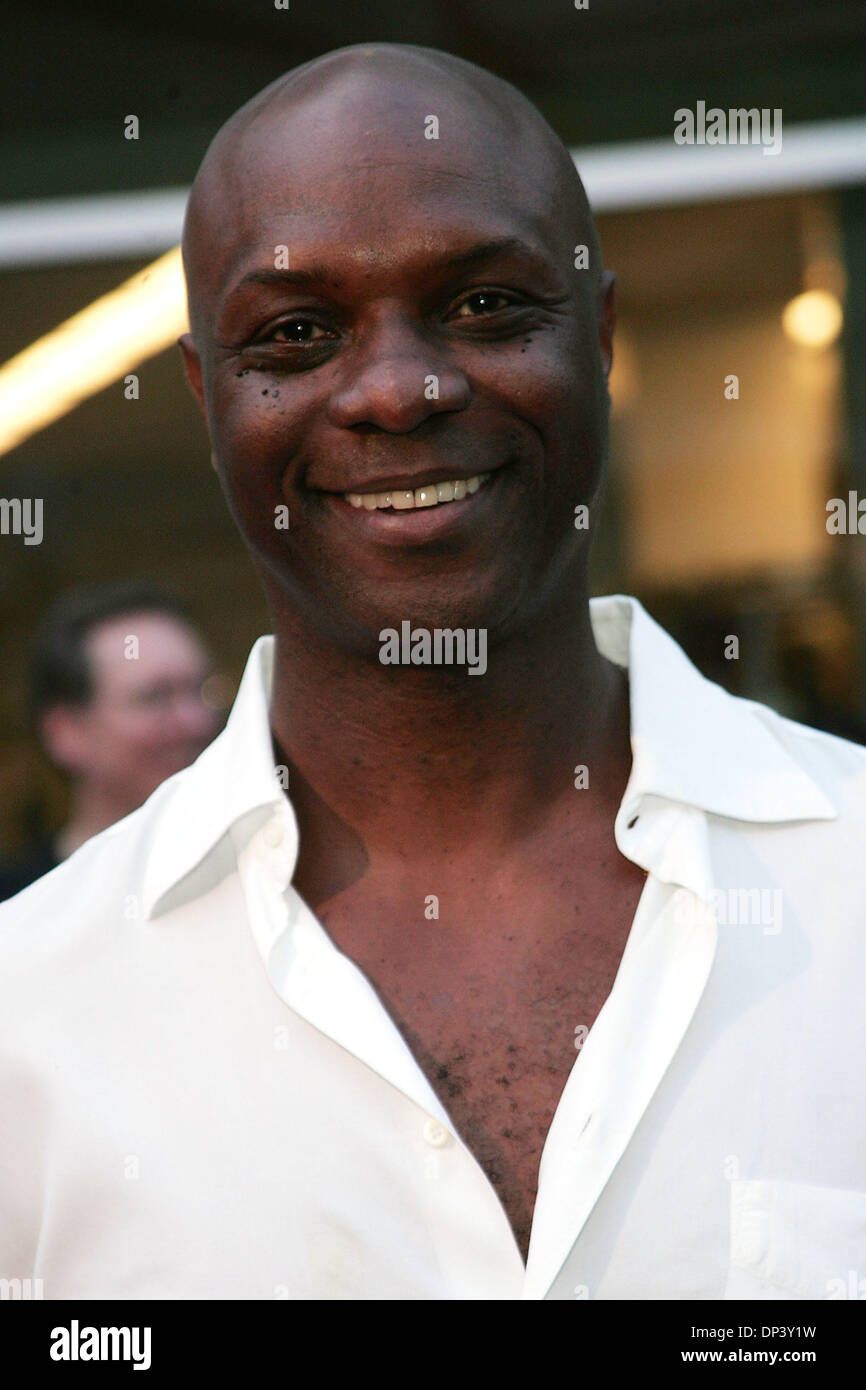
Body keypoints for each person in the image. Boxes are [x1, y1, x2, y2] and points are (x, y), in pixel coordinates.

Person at [0, 43, 864, 1301]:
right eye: (296, 333)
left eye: (486, 306)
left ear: (601, 339)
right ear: (208, 398)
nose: (401, 390)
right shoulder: (32, 1014)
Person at [0, 581, 218, 899]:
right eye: (155, 698)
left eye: (200, 690)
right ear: (66, 733)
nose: (197, 721)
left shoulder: (266, 874)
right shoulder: (17, 911)